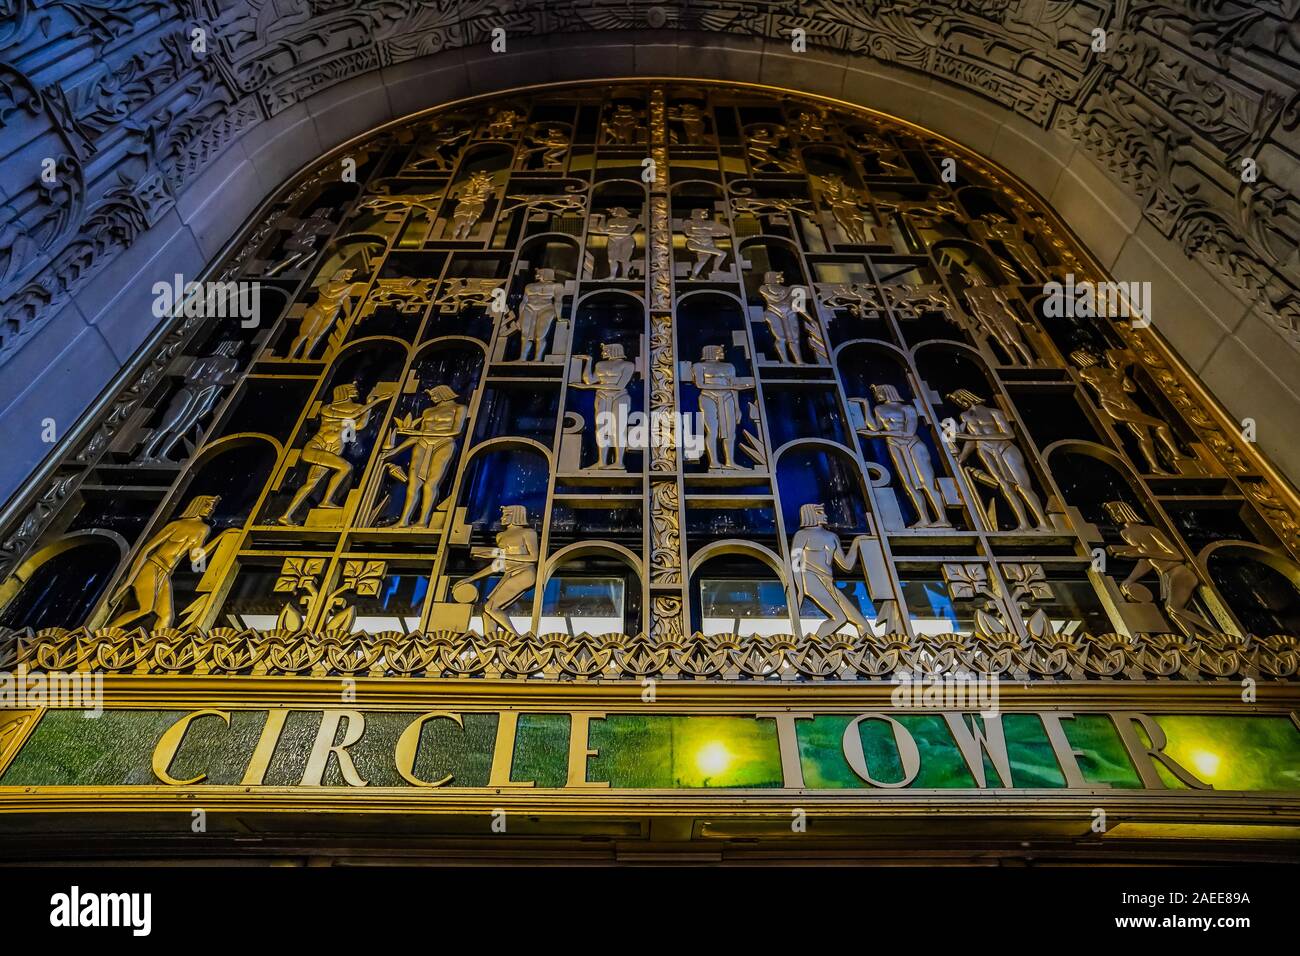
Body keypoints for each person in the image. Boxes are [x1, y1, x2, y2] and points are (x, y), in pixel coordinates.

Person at [278, 383, 389, 525]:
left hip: (333, 449)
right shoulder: (328, 408)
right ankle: (325, 500)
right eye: (352, 388)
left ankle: (286, 515)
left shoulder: (357, 408)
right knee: (345, 467)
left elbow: (360, 425)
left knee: (311, 484)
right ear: (343, 391)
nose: (355, 391)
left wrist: (369, 405)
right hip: (317, 447)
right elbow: (352, 415)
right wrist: (376, 401)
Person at [106, 496, 222, 629]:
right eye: (208, 505)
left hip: (166, 572)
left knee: (166, 616)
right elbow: (147, 549)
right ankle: (104, 633)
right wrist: (129, 580)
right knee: (145, 610)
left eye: (213, 507)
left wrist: (221, 538)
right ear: (198, 505)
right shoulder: (176, 525)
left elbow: (195, 558)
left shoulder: (203, 529)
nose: (211, 509)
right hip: (152, 567)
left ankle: (155, 646)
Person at [1073, 349, 1189, 475]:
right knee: (1161, 425)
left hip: (1128, 403)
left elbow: (1131, 389)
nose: (1092, 356)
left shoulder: (1109, 371)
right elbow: (1113, 380)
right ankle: (1175, 456)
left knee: (1145, 436)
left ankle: (1156, 467)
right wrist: (1121, 366)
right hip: (1114, 406)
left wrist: (1119, 370)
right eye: (1087, 355)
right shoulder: (1087, 372)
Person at [946, 389, 1050, 531]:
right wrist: (961, 458)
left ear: (967, 396)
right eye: (955, 401)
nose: (958, 402)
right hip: (985, 450)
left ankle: (1044, 524)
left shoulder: (995, 412)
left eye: (959, 398)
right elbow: (971, 440)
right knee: (1005, 487)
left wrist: (973, 437)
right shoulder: (964, 416)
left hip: (1005, 447)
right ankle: (1024, 524)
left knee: (1023, 486)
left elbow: (1009, 434)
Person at [856, 384, 951, 528]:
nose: (877, 395)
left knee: (927, 483)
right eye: (875, 393)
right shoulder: (879, 409)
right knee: (909, 486)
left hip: (913, 445)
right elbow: (875, 427)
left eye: (879, 392)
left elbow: (908, 433)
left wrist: (878, 435)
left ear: (888, 391)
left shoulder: (907, 408)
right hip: (895, 446)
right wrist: (866, 405)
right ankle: (924, 519)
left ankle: (943, 519)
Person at [379, 386, 467, 527]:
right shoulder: (428, 411)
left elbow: (455, 431)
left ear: (443, 394)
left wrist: (419, 434)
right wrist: (396, 451)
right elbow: (419, 434)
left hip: (443, 444)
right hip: (422, 444)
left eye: (433, 395)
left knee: (430, 484)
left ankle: (422, 521)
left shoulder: (459, 408)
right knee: (413, 484)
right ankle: (403, 521)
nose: (431, 398)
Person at [136, 342, 240, 462]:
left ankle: (161, 455)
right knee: (168, 424)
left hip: (206, 394)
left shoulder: (232, 363)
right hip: (190, 392)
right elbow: (189, 379)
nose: (235, 349)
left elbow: (219, 387)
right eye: (233, 347)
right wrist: (205, 379)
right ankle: (144, 454)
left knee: (183, 428)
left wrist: (208, 404)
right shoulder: (203, 361)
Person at [791, 503, 873, 639]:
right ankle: (812, 647)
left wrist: (856, 542)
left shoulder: (832, 537)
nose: (825, 515)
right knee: (839, 617)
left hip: (828, 582)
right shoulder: (802, 535)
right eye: (820, 513)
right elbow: (794, 563)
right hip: (810, 578)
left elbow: (846, 565)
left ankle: (874, 653)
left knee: (862, 622)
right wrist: (799, 590)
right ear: (810, 514)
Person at [459, 505, 539, 636]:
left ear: (516, 516)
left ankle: (518, 639)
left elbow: (534, 557)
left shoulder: (528, 533)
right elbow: (498, 565)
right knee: (487, 613)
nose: (502, 518)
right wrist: (470, 579)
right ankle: (491, 644)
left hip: (524, 573)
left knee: (490, 607)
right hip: (509, 574)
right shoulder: (500, 536)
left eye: (506, 515)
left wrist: (499, 554)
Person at [571, 343, 637, 469]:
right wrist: (589, 361)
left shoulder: (628, 365)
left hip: (620, 397)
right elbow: (589, 380)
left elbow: (619, 386)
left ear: (614, 350)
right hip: (601, 397)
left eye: (605, 350)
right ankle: (602, 462)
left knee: (618, 428)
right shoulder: (600, 364)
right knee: (601, 429)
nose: (603, 353)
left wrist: (588, 388)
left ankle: (619, 462)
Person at [689, 345, 748, 471]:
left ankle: (730, 462)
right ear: (709, 352)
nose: (722, 352)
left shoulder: (729, 366)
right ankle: (714, 462)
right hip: (708, 397)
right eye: (718, 351)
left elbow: (734, 386)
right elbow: (700, 384)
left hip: (728, 398)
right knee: (712, 431)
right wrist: (728, 388)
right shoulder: (699, 366)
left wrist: (737, 408)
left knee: (731, 432)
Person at [517, 267, 567, 360]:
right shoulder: (529, 286)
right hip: (529, 308)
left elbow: (558, 301)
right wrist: (519, 318)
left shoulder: (557, 286)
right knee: (525, 335)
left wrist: (559, 316)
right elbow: (523, 302)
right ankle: (522, 358)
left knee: (540, 335)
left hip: (546, 309)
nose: (537, 274)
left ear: (546, 273)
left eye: (539, 272)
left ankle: (537, 358)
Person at [682, 208, 729, 277]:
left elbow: (725, 230)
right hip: (695, 243)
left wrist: (721, 233)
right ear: (697, 213)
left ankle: (693, 277)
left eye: (706, 213)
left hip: (707, 244)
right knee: (722, 254)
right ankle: (715, 270)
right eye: (703, 213)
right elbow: (688, 233)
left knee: (702, 261)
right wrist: (706, 234)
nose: (706, 214)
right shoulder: (689, 222)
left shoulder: (709, 223)